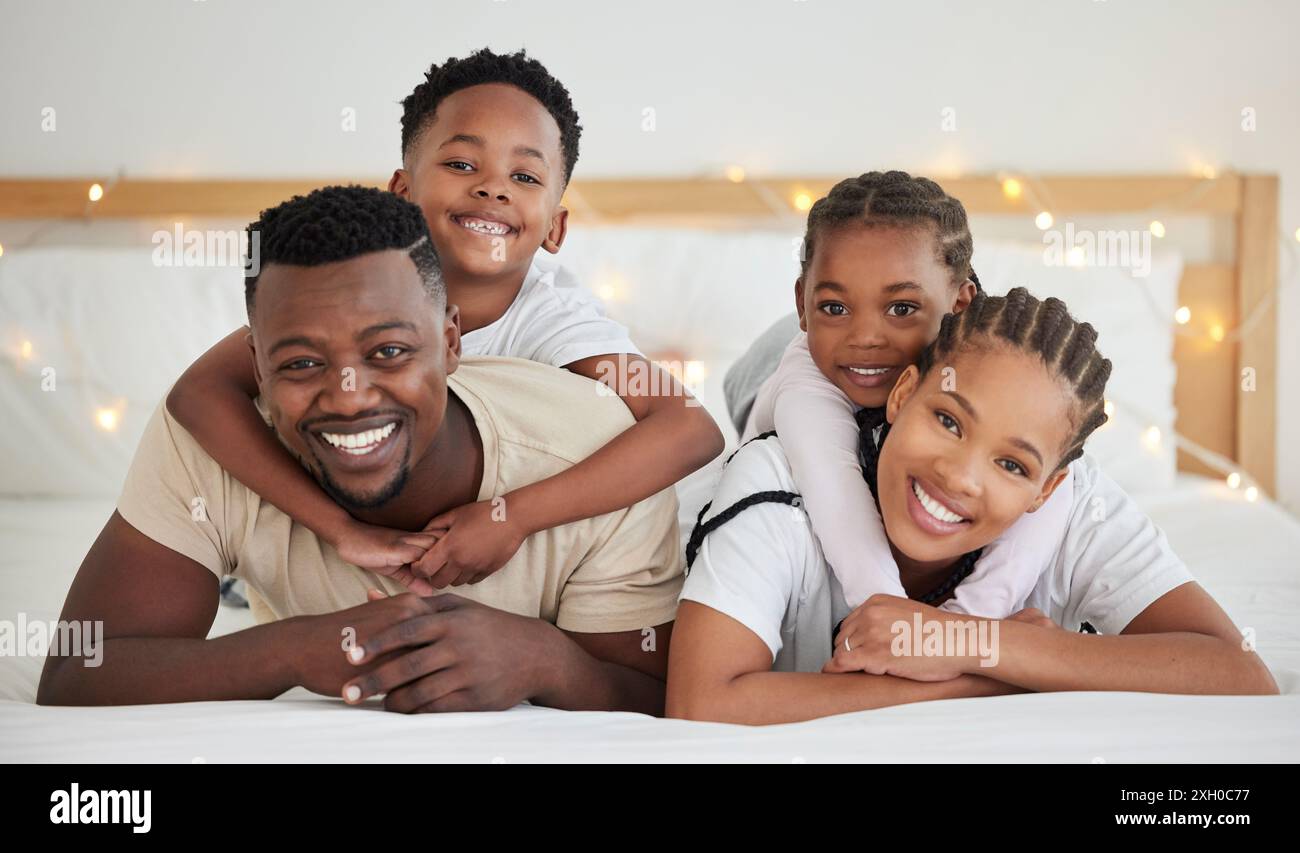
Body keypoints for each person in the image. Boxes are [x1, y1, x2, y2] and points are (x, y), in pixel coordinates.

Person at [38, 186, 683, 715]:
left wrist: (548, 660)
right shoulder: (209, 446)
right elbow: (77, 671)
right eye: (301, 362)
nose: (348, 398)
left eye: (390, 352)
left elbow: (659, 700)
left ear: (452, 340)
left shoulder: (600, 452)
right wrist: (293, 650)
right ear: (256, 367)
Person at [668, 287, 1278, 725]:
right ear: (904, 393)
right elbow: (702, 703)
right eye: (949, 421)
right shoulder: (775, 481)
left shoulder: (1074, 498)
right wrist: (988, 678)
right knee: (794, 369)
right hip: (790, 414)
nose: (959, 478)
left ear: (1046, 489)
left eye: (1012, 464)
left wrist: (965, 641)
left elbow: (1242, 677)